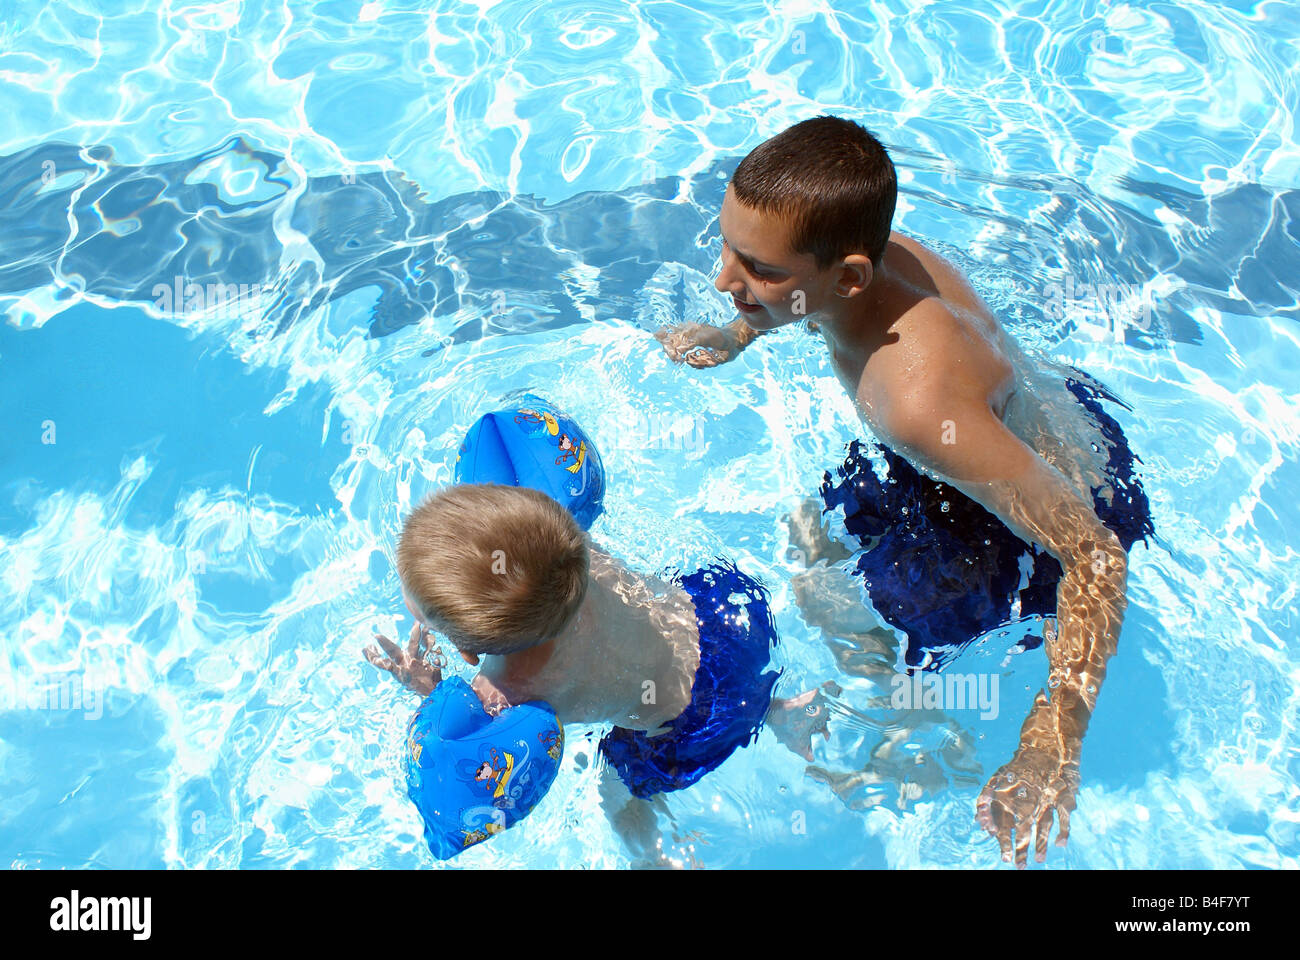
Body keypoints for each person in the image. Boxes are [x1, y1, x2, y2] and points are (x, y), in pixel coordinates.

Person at [655, 115, 1155, 868]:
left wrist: (1052, 740)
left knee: (823, 597)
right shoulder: (883, 260)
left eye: (755, 269)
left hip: (1020, 533)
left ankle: (918, 738)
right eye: (728, 248)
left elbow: (1096, 555)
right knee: (818, 537)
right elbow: (803, 293)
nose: (725, 280)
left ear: (849, 276)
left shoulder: (918, 404)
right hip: (1014, 441)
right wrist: (740, 332)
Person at [365, 482, 828, 866]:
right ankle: (775, 708)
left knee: (616, 798)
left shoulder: (504, 694)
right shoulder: (570, 547)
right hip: (722, 618)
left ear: (467, 652)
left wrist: (427, 687)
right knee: (716, 686)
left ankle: (661, 858)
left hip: (687, 728)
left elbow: (457, 739)